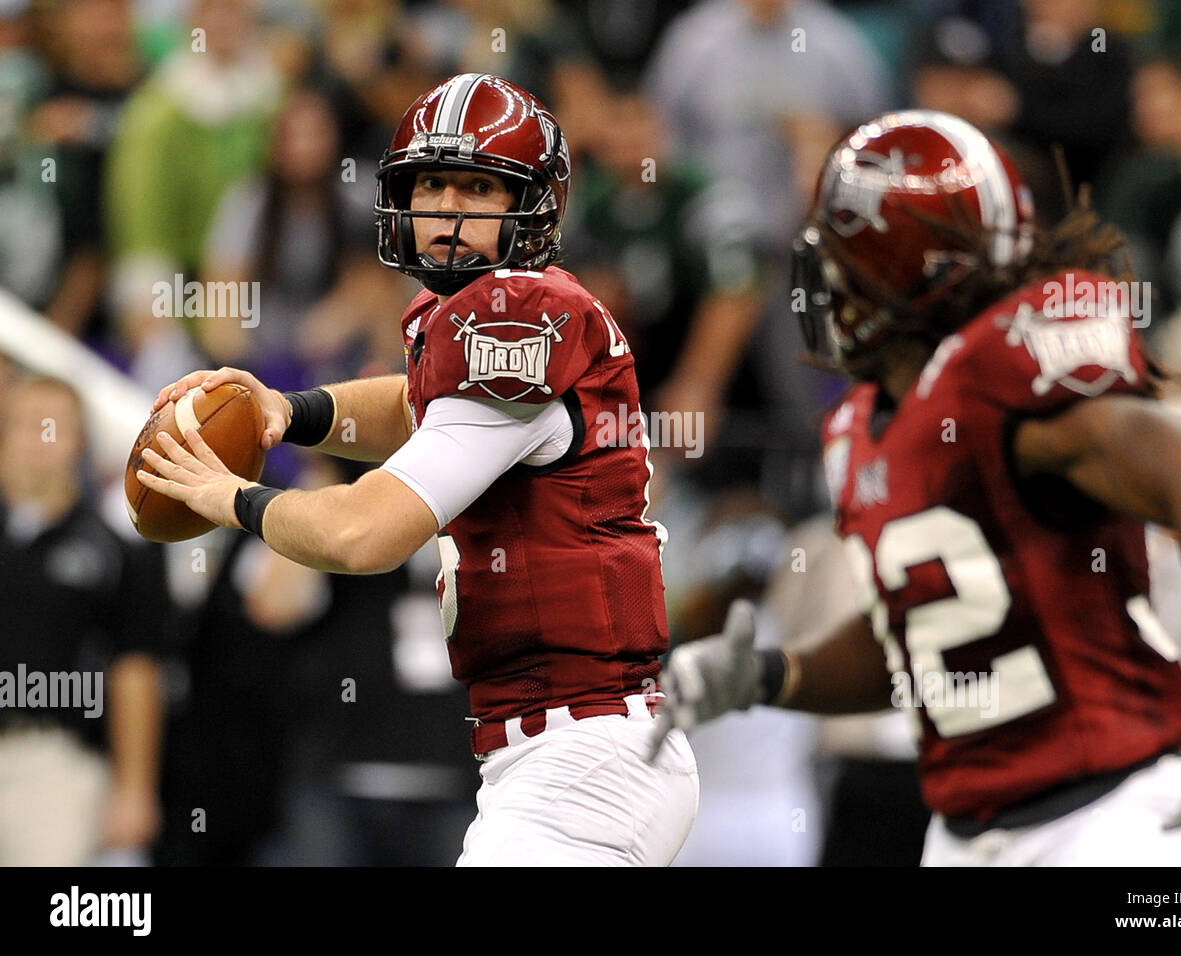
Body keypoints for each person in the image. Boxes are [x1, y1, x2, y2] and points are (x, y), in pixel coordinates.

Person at [650, 110, 1181, 866]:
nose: (825, 279)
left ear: (899, 274)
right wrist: (771, 672)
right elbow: (925, 628)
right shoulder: (871, 424)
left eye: (842, 257)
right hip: (966, 836)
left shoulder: (1003, 385)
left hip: (1112, 822)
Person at [136, 73, 698, 867]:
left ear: (534, 207)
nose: (447, 210)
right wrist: (288, 411)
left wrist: (227, 495)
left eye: (479, 187)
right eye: (431, 183)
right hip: (556, 751)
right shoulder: (471, 322)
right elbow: (417, 411)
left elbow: (366, 533)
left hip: (586, 755)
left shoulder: (518, 315)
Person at [0, 374, 166, 865]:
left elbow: (134, 670)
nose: (38, 441)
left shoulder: (113, 552)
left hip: (54, 762)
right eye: (24, 425)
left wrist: (135, 788)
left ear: (80, 443)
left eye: (53, 427)